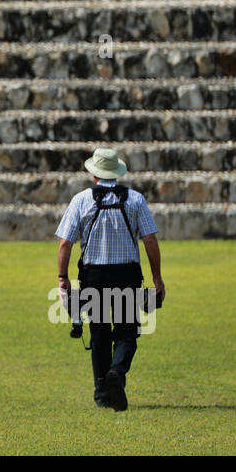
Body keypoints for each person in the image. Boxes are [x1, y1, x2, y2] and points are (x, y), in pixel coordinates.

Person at [54, 147, 165, 411]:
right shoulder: (136, 199)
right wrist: (157, 278)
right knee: (127, 333)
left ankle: (102, 393)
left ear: (94, 175)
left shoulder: (81, 200)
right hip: (126, 274)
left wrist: (62, 278)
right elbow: (149, 240)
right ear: (116, 173)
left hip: (94, 276)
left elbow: (65, 244)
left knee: (100, 334)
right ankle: (117, 371)